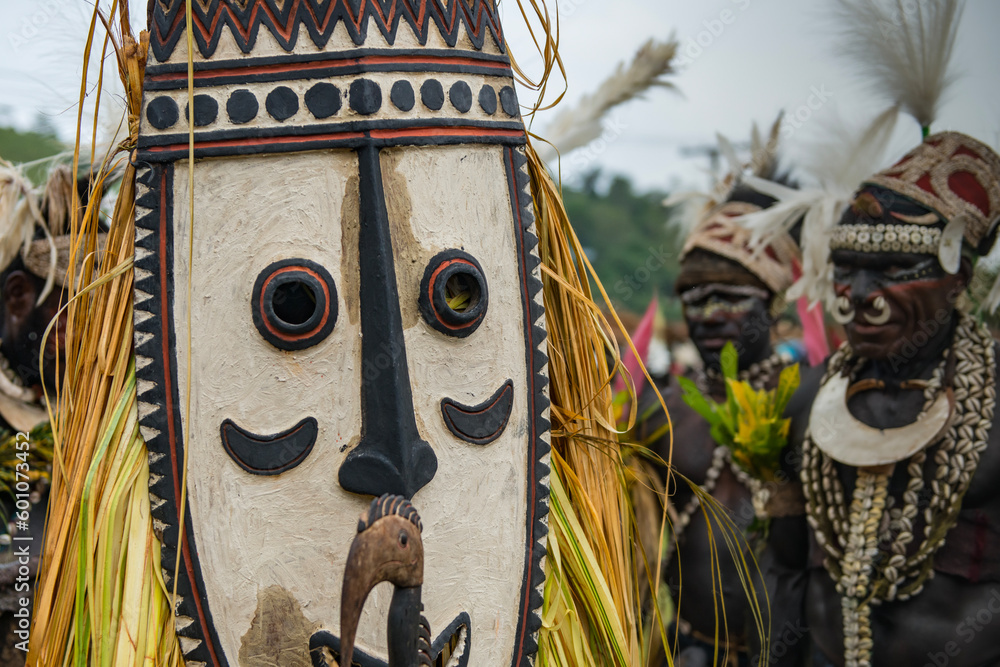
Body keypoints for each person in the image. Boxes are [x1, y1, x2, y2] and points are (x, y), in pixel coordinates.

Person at [761, 130, 1000, 667]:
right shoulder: (802, 399)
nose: (859, 295)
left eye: (892, 271)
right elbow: (784, 570)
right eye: (845, 270)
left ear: (957, 275)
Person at [639, 133, 803, 666]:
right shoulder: (660, 410)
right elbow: (630, 547)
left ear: (772, 301)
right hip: (684, 647)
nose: (708, 316)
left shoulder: (806, 401)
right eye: (694, 299)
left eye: (729, 299)